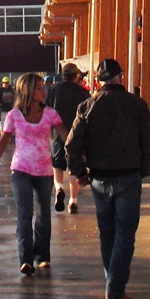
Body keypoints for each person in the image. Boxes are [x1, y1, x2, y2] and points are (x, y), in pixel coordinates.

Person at [66, 58, 150, 299]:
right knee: (125, 233)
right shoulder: (136, 105)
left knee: (107, 232)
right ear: (122, 77)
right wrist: (144, 169)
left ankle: (112, 281)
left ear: (97, 80)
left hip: (98, 176)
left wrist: (79, 172)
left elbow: (72, 145)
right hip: (129, 174)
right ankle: (115, 287)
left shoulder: (87, 106)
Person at [0, 72, 63, 277]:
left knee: (44, 215)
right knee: (24, 215)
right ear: (27, 90)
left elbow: (67, 136)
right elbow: (3, 142)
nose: (42, 91)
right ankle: (26, 259)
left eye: (42, 87)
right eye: (38, 88)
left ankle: (42, 254)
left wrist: (79, 159)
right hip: (21, 170)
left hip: (44, 171)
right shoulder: (14, 116)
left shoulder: (51, 114)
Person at [46, 63, 89, 213]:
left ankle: (58, 188)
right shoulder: (83, 92)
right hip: (76, 135)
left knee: (57, 166)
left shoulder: (53, 90)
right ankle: (73, 201)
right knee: (74, 169)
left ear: (63, 75)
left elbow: (46, 108)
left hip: (57, 134)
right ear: (76, 76)